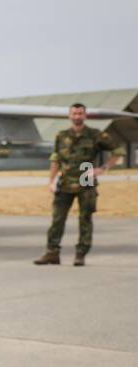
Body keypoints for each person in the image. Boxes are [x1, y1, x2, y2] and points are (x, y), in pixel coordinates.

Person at [34, 103, 119, 267]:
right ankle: (52, 253)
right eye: (75, 113)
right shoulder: (61, 135)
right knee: (57, 219)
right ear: (70, 116)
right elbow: (55, 159)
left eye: (80, 114)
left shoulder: (95, 135)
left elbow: (118, 151)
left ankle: (80, 255)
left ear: (85, 115)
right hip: (65, 180)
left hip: (85, 178)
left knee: (85, 218)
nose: (77, 116)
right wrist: (51, 181)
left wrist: (103, 168)